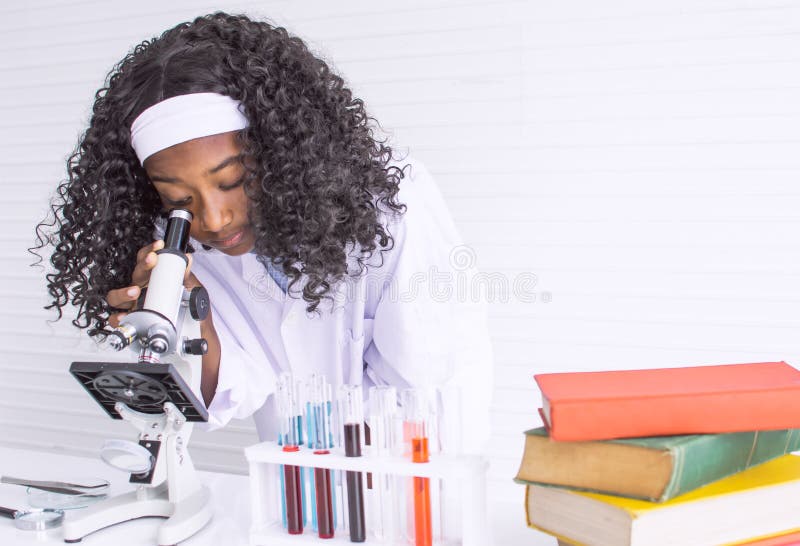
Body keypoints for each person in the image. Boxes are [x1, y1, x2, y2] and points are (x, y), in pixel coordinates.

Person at [33, 12, 492, 454]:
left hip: (420, 476)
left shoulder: (390, 205)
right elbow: (227, 387)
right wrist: (190, 321)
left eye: (232, 181)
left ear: (279, 149)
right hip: (300, 498)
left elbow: (423, 382)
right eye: (179, 199)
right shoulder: (182, 245)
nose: (213, 219)